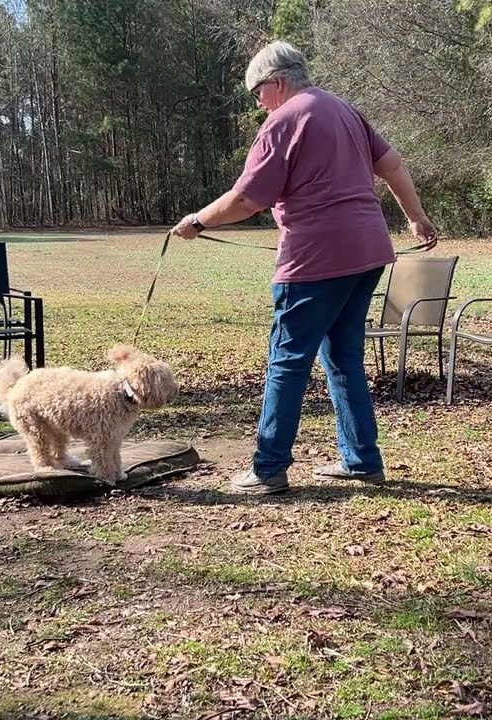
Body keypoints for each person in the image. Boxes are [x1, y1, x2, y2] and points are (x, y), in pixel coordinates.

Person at [169, 40, 437, 495]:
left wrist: (197, 221)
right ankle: (362, 461)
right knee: (344, 358)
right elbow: (392, 165)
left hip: (316, 259)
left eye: (257, 93)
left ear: (275, 83)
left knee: (287, 361)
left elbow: (247, 199)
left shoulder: (284, 120)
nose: (258, 103)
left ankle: (268, 468)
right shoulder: (344, 109)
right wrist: (416, 216)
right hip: (368, 252)